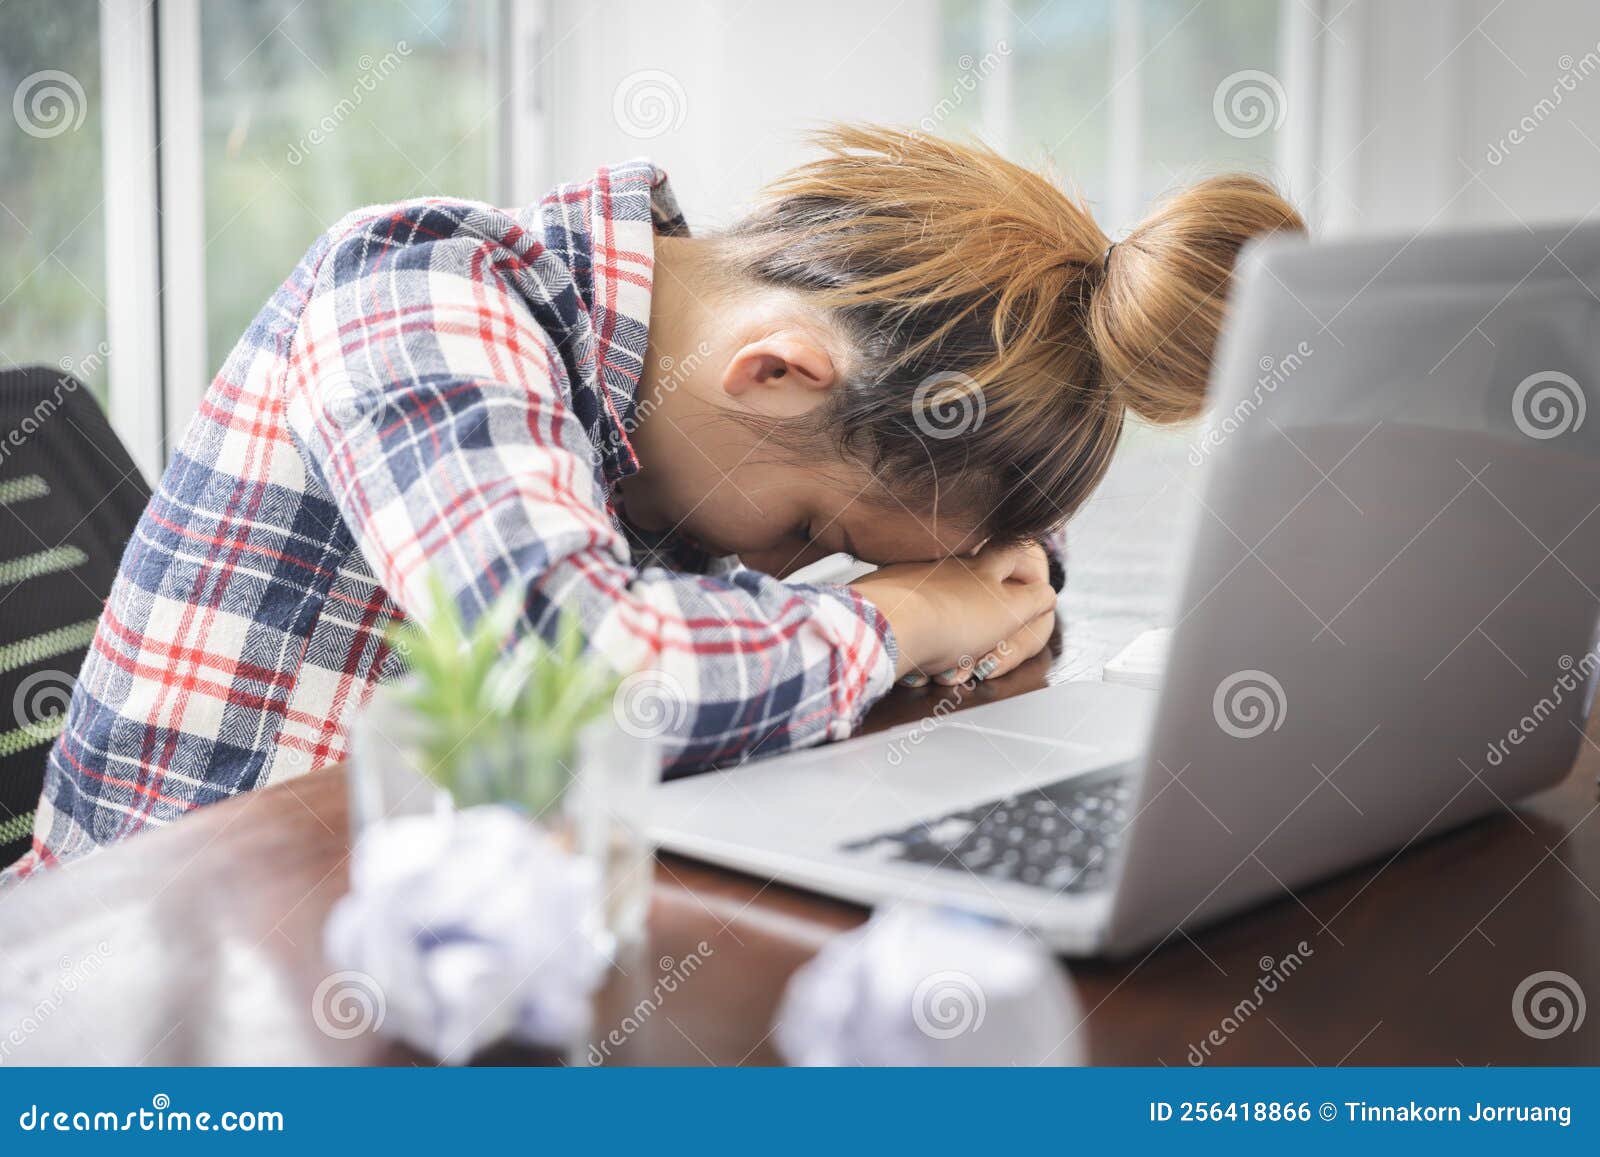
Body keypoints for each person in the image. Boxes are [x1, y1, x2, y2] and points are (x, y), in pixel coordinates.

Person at [4, 126, 1303, 880]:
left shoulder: (711, 379)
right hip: (162, 974)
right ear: (778, 371)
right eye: (812, 536)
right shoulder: (411, 301)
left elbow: (985, 542)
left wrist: (992, 565)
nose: (800, 562)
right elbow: (584, 675)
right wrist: (905, 613)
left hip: (448, 915)